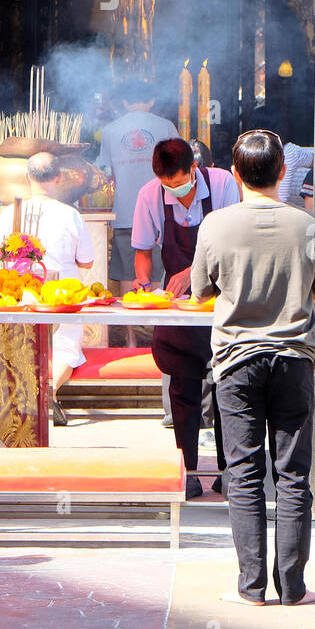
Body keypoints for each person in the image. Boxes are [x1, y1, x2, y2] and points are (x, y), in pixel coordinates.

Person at [192, 129, 315, 606]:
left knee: (244, 473)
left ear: (235, 174)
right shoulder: (309, 226)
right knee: (293, 475)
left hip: (236, 361)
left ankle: (251, 588)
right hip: (294, 360)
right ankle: (293, 588)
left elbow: (200, 291)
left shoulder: (215, 225)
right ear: (283, 171)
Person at [131, 137, 240, 496]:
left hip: (222, 306)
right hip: (179, 313)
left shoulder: (222, 184)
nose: (174, 191)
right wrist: (144, 282)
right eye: (167, 185)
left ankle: (229, 472)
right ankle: (188, 473)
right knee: (182, 391)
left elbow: (231, 246)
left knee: (227, 389)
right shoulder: (149, 195)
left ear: (194, 168)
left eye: (179, 183)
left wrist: (193, 272)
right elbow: (143, 251)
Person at [0, 152, 93, 427]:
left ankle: (29, 397)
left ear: (27, 178)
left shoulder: (6, 215)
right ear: (59, 177)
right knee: (65, 347)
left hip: (17, 295)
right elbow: (87, 261)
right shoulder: (70, 215)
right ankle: (49, 391)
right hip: (60, 297)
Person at [96, 80, 177, 296]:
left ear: (124, 101)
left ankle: (129, 318)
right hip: (160, 211)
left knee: (128, 272)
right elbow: (178, 167)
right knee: (157, 270)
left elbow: (104, 170)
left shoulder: (111, 130)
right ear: (152, 100)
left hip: (126, 212)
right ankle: (156, 316)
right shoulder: (166, 127)